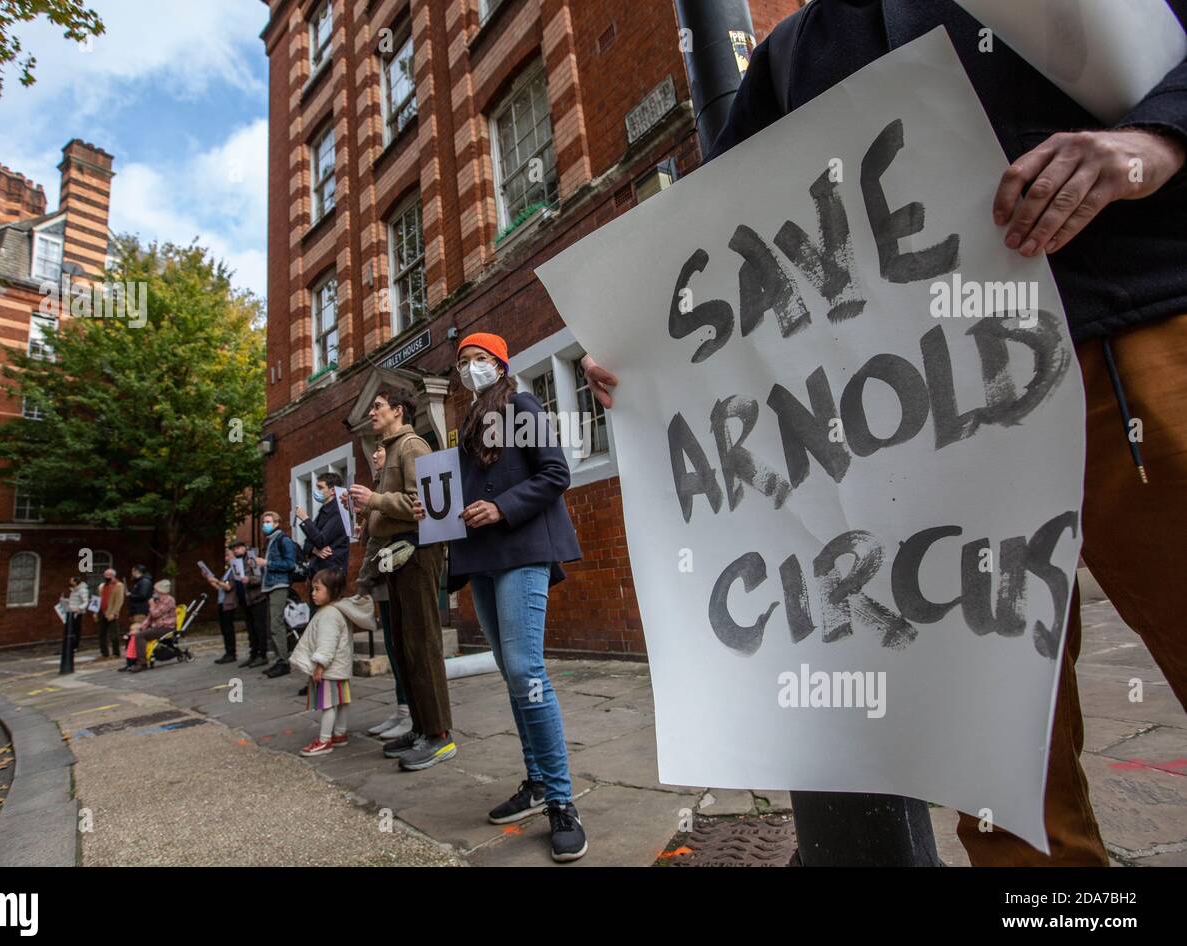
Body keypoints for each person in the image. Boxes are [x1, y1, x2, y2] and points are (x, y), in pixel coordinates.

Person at [579, 0, 1187, 867]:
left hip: (1133, 337)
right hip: (938, 430)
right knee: (1004, 777)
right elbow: (722, 244)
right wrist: (648, 368)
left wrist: (1156, 139)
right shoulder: (791, 56)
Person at [415, 333, 588, 861]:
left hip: (522, 549)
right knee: (513, 674)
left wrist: (502, 507)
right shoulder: (467, 423)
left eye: (479, 360)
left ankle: (561, 801)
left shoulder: (523, 404)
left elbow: (556, 472)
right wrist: (435, 511)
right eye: (462, 362)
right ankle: (536, 781)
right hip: (482, 560)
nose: (470, 369)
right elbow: (464, 494)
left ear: (500, 363)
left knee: (525, 670)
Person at [346, 388, 456, 771]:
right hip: (395, 557)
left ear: (398, 410)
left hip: (417, 554)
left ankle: (440, 735)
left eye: (377, 406)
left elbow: (422, 506)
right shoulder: (390, 450)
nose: (371, 412)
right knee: (404, 644)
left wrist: (373, 501)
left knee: (423, 643)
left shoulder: (413, 447)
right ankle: (421, 727)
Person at [357, 443, 412, 740]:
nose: (376, 454)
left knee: (402, 644)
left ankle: (413, 711)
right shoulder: (378, 485)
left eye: (379, 450)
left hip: (397, 564)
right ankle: (402, 707)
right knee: (392, 643)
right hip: (380, 568)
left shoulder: (405, 461)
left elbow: (413, 509)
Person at [291, 567, 376, 756]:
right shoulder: (339, 611)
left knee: (327, 704)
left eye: (317, 589)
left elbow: (327, 644)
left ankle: (324, 740)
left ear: (332, 590)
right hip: (341, 667)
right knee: (342, 701)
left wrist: (319, 666)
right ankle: (339, 733)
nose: (313, 593)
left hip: (329, 669)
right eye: (312, 589)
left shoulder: (328, 614)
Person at [255, 510, 299, 678]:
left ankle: (283, 662)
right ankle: (279, 660)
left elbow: (290, 564)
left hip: (279, 585)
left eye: (268, 521)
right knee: (273, 625)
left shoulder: (283, 540)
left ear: (276, 523)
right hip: (270, 585)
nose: (265, 524)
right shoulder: (270, 541)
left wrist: (267, 563)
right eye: (264, 521)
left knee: (276, 624)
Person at [295, 472, 350, 579]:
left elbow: (321, 540)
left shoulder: (338, 512)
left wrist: (305, 519)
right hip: (318, 570)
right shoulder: (323, 511)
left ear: (332, 490)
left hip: (331, 571)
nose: (316, 491)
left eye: (320, 487)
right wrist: (314, 550)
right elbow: (307, 543)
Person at [122, 579, 177, 674]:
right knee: (131, 634)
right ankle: (131, 662)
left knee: (140, 636)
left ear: (161, 591)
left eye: (155, 591)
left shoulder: (169, 600)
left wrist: (151, 605)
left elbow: (155, 614)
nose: (154, 592)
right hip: (156, 627)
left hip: (165, 628)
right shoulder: (157, 600)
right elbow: (150, 617)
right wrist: (141, 627)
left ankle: (142, 663)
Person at [233, 540, 271, 668]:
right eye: (234, 549)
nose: (235, 551)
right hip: (245, 600)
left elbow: (259, 578)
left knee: (260, 628)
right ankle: (253, 654)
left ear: (244, 548)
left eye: (238, 548)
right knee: (251, 629)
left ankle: (262, 655)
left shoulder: (251, 558)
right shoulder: (237, 562)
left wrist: (249, 579)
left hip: (257, 598)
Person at [204, 546, 240, 664]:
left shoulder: (235, 569)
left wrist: (217, 581)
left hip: (228, 603)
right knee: (224, 629)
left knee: (228, 628)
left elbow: (228, 587)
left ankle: (231, 653)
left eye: (228, 555)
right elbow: (219, 588)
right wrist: (210, 580)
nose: (226, 558)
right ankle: (228, 651)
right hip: (222, 601)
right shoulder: (228, 570)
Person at [95, 568, 126, 658]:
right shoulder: (102, 586)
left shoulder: (119, 585)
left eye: (108, 575)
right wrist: (95, 612)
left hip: (111, 611)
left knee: (114, 634)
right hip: (102, 611)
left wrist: (114, 612)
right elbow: (97, 599)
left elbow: (119, 600)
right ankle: (104, 653)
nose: (106, 577)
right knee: (101, 634)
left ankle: (116, 653)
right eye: (105, 575)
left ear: (113, 576)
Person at [65, 575, 89, 651]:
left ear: (75, 582)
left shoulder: (82, 590)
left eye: (71, 581)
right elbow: (74, 600)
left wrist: (79, 608)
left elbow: (86, 602)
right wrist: (65, 600)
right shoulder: (74, 590)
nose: (70, 582)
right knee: (70, 629)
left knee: (76, 629)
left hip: (77, 613)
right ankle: (70, 644)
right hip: (71, 612)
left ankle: (75, 646)